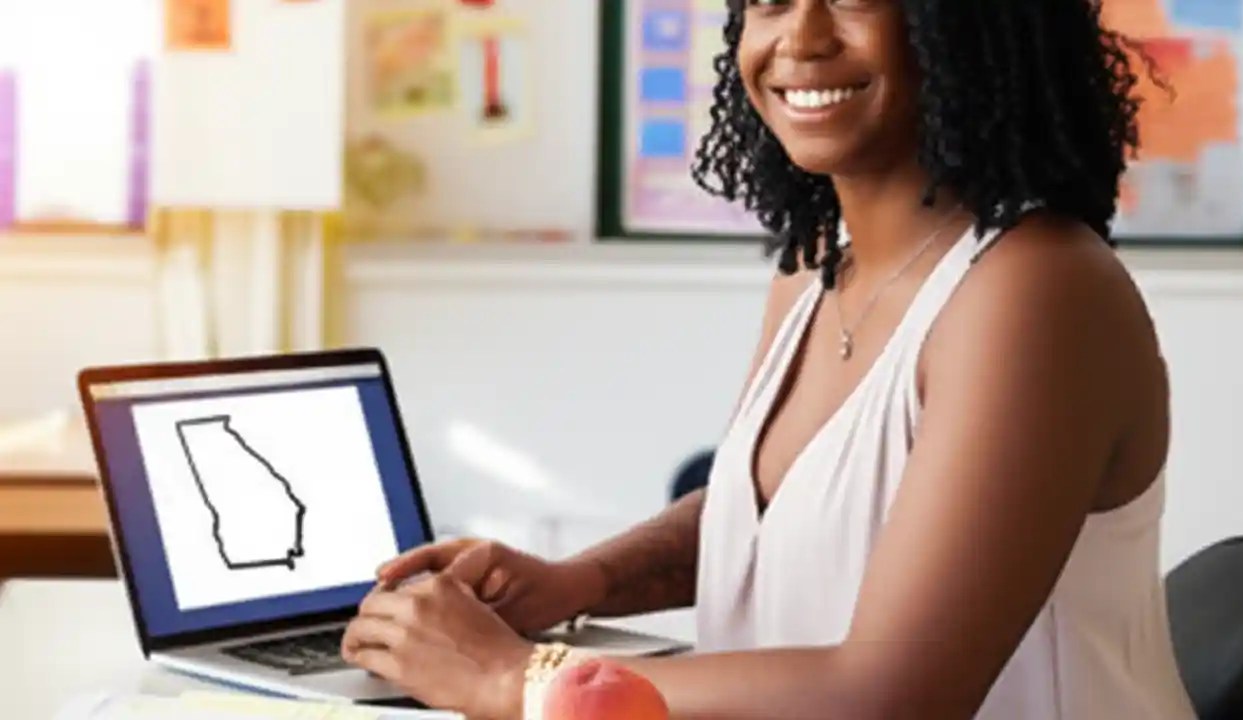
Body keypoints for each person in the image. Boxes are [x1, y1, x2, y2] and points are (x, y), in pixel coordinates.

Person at [340, 1, 1199, 718]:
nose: (802, 38)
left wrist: (514, 680)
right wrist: (578, 581)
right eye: (771, 0)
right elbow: (783, 506)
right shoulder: (818, 262)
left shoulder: (1036, 290)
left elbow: (895, 691)